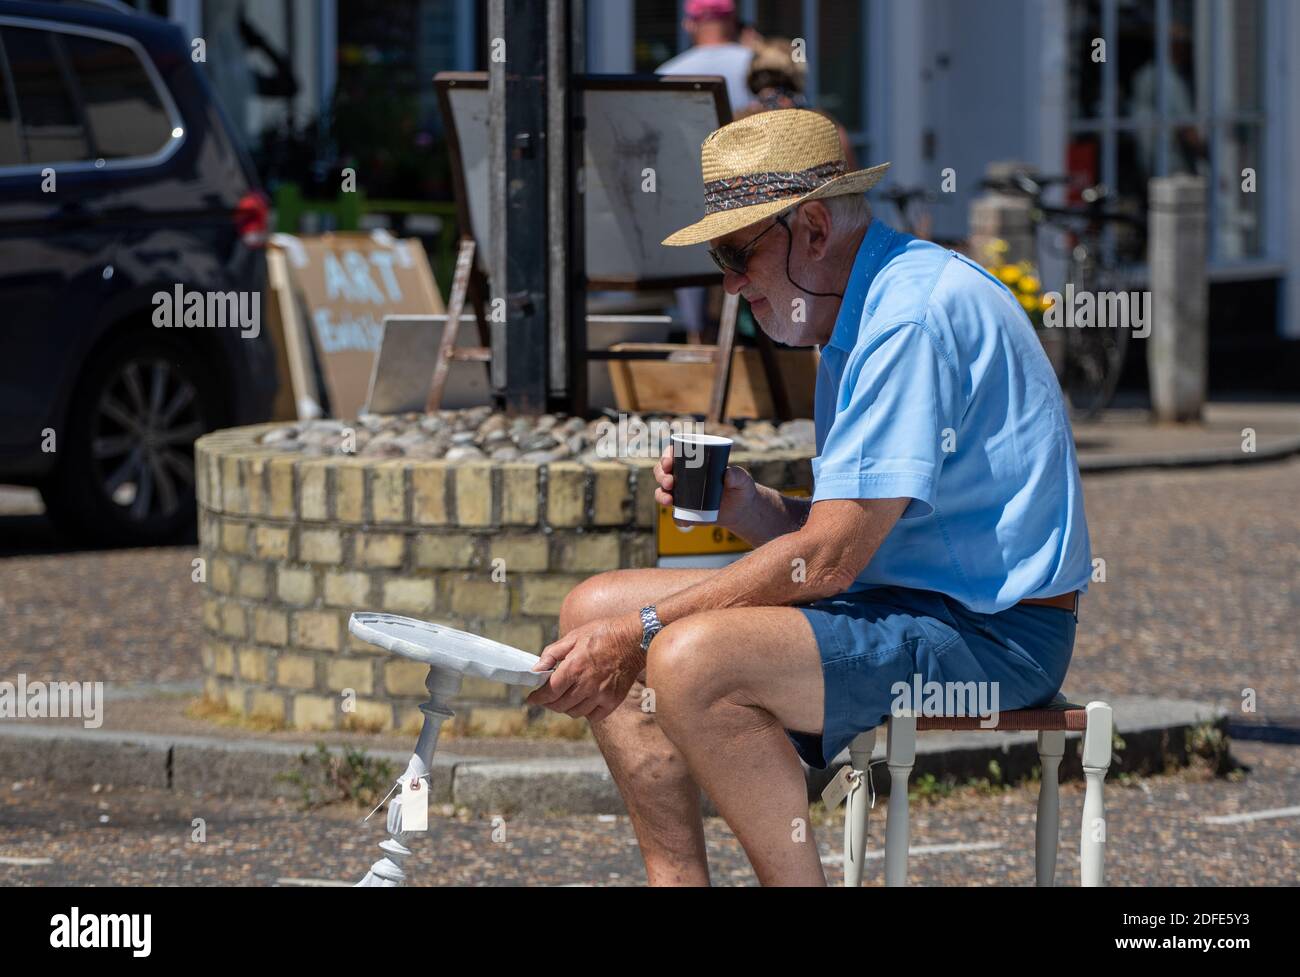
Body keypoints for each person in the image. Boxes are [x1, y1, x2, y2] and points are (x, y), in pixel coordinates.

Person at [527, 109, 1092, 886]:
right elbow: (850, 537)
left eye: (736, 251)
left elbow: (828, 560)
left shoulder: (905, 321)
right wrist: (754, 507)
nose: (728, 282)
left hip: (998, 633)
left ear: (815, 229)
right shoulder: (850, 307)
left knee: (689, 657)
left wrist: (646, 628)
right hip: (912, 599)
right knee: (594, 607)